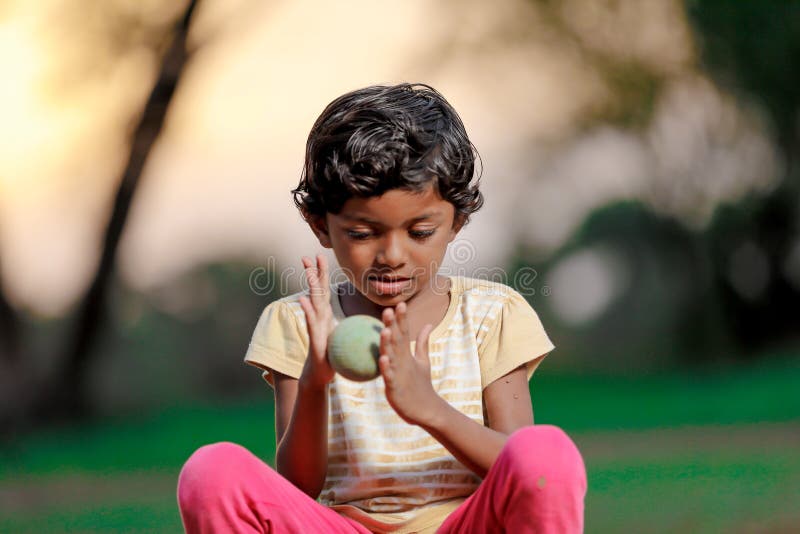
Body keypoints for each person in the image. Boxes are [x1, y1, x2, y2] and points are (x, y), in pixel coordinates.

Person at [177, 83, 586, 533]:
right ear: (321, 227)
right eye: (362, 233)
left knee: (546, 451)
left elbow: (521, 471)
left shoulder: (493, 315)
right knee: (211, 472)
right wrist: (315, 382)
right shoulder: (299, 323)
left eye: (420, 231)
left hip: (464, 526)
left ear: (456, 222)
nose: (392, 254)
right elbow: (299, 486)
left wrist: (429, 408)